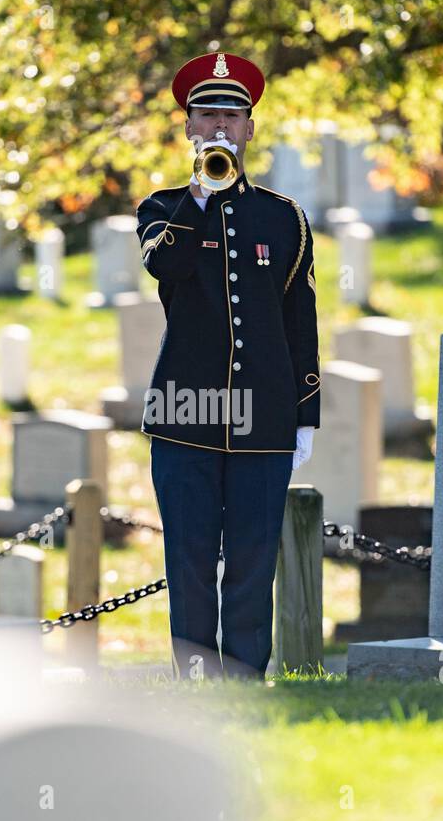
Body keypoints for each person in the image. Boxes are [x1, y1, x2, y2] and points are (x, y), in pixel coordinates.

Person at [135, 51, 321, 681]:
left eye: (231, 115)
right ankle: (194, 681)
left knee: (251, 558)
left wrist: (306, 415)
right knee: (187, 557)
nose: (219, 126)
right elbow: (167, 267)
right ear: (188, 126)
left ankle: (243, 680)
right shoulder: (161, 208)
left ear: (249, 129)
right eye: (207, 114)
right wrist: (199, 195)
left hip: (264, 419)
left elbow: (301, 322)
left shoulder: (284, 217)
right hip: (184, 415)